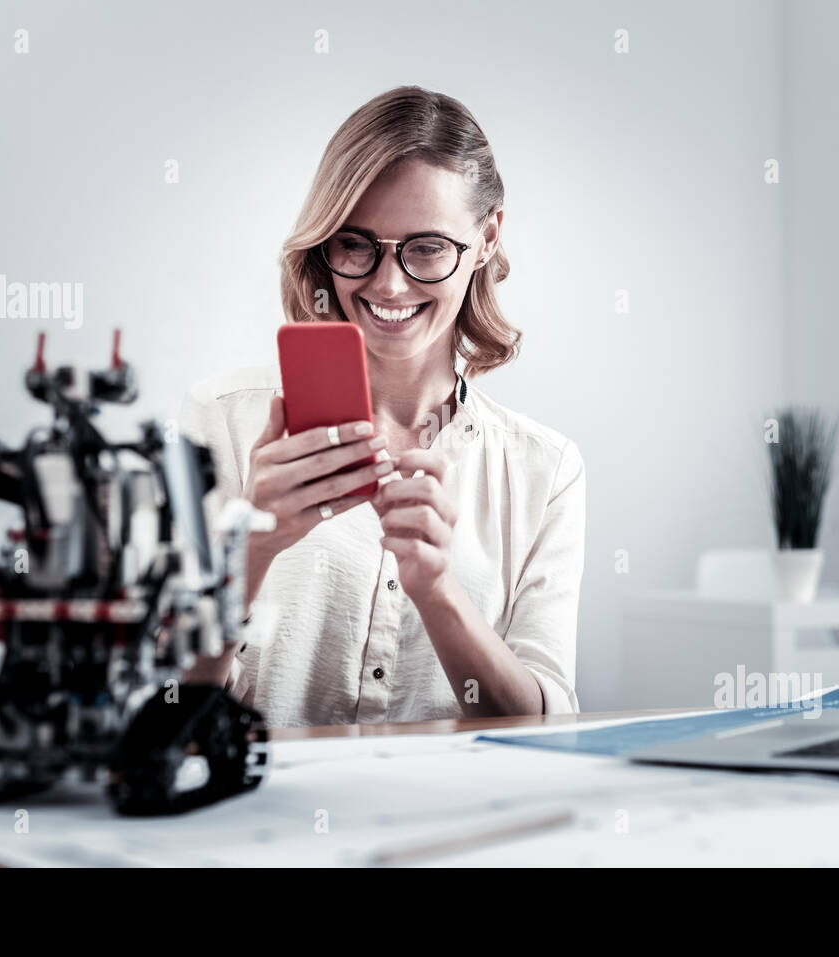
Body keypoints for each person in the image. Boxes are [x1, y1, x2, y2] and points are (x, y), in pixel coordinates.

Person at [180, 86, 585, 727]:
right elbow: (162, 704)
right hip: (256, 817)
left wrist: (437, 591)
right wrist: (252, 552)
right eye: (356, 244)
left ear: (486, 238)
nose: (388, 285)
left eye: (427, 248)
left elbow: (545, 722)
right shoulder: (223, 422)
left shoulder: (544, 470)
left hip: (449, 819)